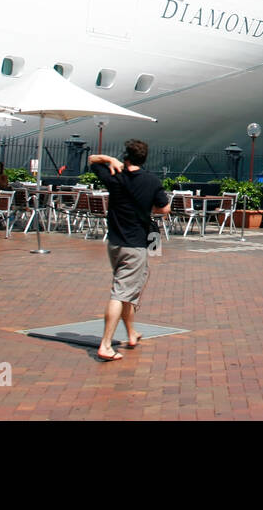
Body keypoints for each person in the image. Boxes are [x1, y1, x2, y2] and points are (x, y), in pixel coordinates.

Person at [89, 140, 169, 363]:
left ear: (126, 157)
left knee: (127, 291)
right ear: (144, 159)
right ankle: (105, 344)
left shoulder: (115, 175)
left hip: (114, 243)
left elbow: (92, 161)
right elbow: (164, 208)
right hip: (136, 245)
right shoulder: (152, 181)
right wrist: (147, 206)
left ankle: (131, 333)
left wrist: (109, 160)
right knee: (121, 293)